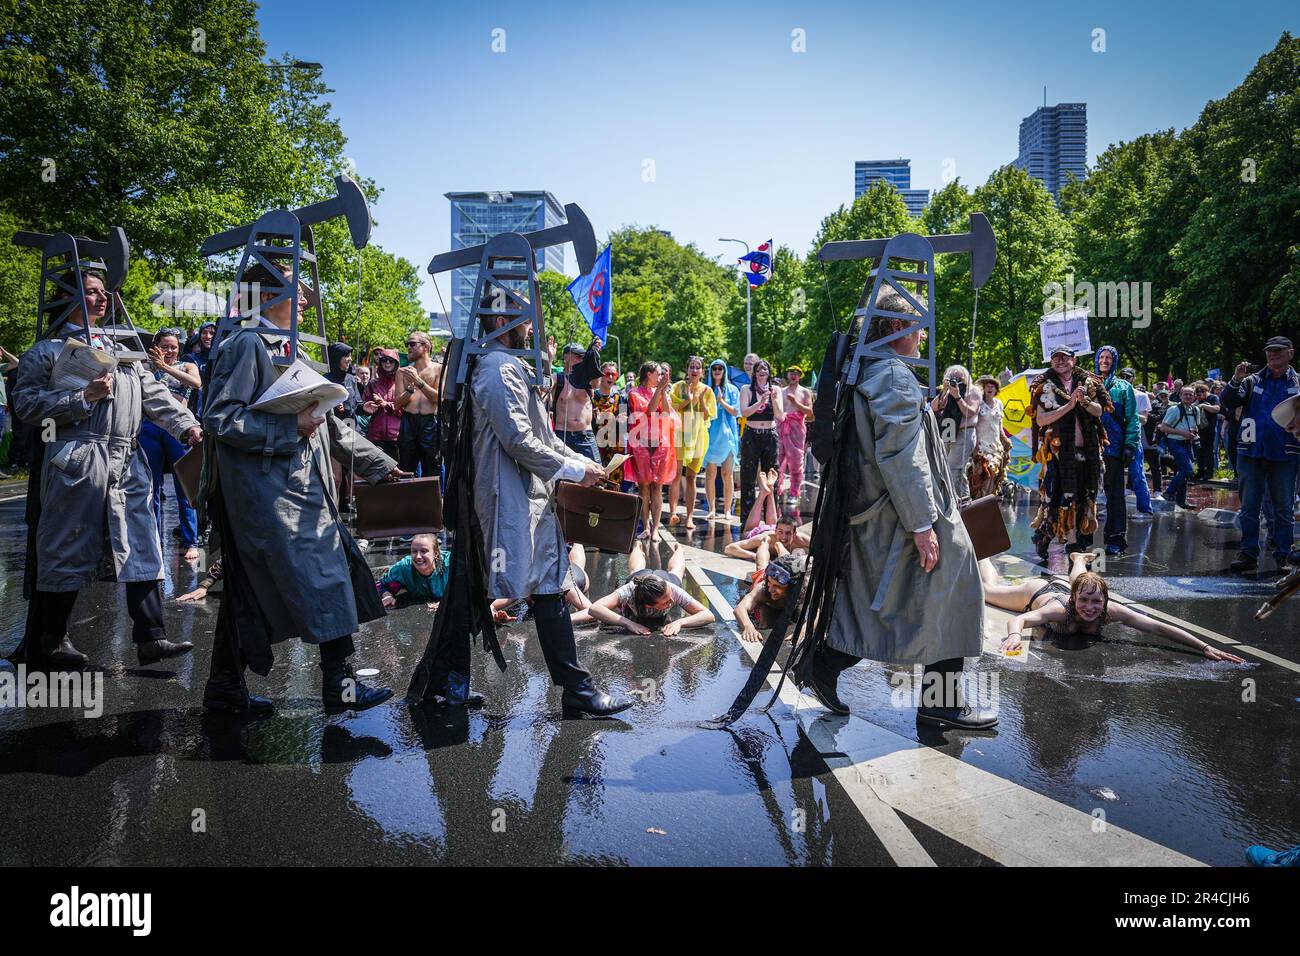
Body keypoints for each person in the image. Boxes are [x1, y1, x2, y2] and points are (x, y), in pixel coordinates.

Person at [416, 283, 632, 717]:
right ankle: (446, 683)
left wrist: (586, 466)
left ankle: (573, 688)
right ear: (502, 321)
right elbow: (518, 439)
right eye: (525, 318)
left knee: (546, 586)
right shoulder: (497, 367)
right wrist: (575, 469)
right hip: (507, 500)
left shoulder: (506, 365)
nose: (532, 328)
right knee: (480, 589)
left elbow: (545, 436)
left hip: (525, 497)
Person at [202, 259, 405, 715]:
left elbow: (327, 424)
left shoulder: (284, 347)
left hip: (300, 489)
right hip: (272, 492)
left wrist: (381, 465)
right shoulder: (246, 345)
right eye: (297, 287)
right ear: (269, 296)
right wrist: (288, 427)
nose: (308, 296)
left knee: (252, 590)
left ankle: (224, 692)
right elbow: (219, 417)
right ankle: (339, 686)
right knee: (322, 578)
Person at [801, 288, 994, 730]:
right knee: (954, 587)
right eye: (917, 328)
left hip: (886, 509)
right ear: (894, 328)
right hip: (901, 511)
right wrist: (923, 523)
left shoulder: (873, 369)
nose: (923, 337)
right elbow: (902, 457)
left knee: (886, 601)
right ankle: (939, 702)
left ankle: (824, 663)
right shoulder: (892, 375)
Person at [10, 269, 203, 670]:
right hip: (77, 457)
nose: (103, 299)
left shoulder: (123, 347)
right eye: (92, 292)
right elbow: (27, 406)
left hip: (128, 458)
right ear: (68, 298)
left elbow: (155, 394)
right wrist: (83, 397)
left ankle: (152, 638)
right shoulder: (47, 351)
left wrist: (187, 427)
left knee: (143, 543)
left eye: (104, 292)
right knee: (67, 546)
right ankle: (47, 643)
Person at [986, 555, 1244, 662]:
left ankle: (1078, 560)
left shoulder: (1110, 610)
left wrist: (1204, 647)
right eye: (1085, 602)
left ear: (1106, 603)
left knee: (1080, 581)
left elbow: (1157, 626)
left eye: (1097, 602)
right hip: (1036, 592)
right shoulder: (1060, 611)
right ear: (1075, 601)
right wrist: (1015, 636)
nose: (1090, 608)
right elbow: (1020, 620)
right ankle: (981, 555)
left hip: (1072, 587)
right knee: (987, 590)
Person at [1220, 337, 1299, 573]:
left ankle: (1283, 555)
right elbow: (1227, 401)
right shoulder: (1251, 381)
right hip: (1251, 452)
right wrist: (1235, 379)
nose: (1273, 355)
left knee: (1283, 508)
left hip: (1286, 453)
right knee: (1249, 507)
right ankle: (1248, 554)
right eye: (1269, 351)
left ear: (1290, 353)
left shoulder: (1298, 383)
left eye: (1278, 351)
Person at [1029, 345, 1112, 561]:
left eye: (1064, 358)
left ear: (1073, 360)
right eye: (1055, 358)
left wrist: (1083, 401)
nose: (1060, 361)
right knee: (1056, 497)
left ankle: (1076, 542)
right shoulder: (1044, 386)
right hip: (1058, 453)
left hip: (1088, 451)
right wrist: (1069, 405)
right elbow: (1041, 420)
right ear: (1051, 362)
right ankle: (1048, 537)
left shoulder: (1089, 382)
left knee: (1085, 494)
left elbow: (1100, 411)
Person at [139, 327, 203, 561]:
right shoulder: (146, 367)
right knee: (151, 487)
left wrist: (165, 367)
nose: (169, 350)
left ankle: (191, 541)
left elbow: (196, 383)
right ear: (156, 346)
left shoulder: (186, 365)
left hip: (180, 430)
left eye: (173, 346)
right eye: (164, 346)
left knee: (185, 487)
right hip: (150, 428)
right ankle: (152, 538)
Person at [578, 539, 713, 636]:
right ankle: (637, 546)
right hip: (641, 579)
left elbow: (708, 615)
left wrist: (680, 623)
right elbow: (595, 608)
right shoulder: (630, 590)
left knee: (676, 572)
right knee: (635, 570)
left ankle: (679, 550)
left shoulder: (672, 590)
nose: (672, 600)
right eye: (666, 601)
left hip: (664, 580)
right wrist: (628, 623)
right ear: (649, 606)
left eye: (670, 596)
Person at [1095, 345, 1140, 556]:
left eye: (1108, 358)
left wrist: (1130, 445)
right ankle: (1082, 537)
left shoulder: (1123, 388)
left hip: (1114, 448)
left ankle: (1116, 537)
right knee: (1087, 493)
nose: (1104, 361)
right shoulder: (1088, 383)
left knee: (1114, 494)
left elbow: (1132, 419)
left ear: (1114, 361)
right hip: (1090, 448)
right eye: (1101, 357)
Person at [625, 361, 676, 540]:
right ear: (649, 374)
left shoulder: (662, 391)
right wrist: (660, 391)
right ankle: (645, 527)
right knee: (644, 487)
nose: (661, 377)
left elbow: (667, 413)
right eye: (659, 374)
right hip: (641, 445)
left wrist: (661, 392)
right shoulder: (634, 394)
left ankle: (655, 529)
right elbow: (650, 412)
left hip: (660, 444)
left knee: (657, 487)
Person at [667, 355, 717, 525]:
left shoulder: (707, 390)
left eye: (698, 367)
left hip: (698, 437)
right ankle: (673, 513)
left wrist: (701, 400)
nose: (694, 370)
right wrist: (687, 400)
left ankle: (689, 517)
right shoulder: (677, 387)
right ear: (687, 370)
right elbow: (670, 410)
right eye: (692, 367)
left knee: (691, 477)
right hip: (679, 435)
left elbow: (707, 415)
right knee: (675, 476)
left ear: (702, 372)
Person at [725, 468, 809, 561]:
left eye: (788, 533)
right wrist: (754, 556)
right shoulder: (764, 538)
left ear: (794, 534)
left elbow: (822, 547)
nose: (784, 537)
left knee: (773, 524)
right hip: (758, 532)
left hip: (773, 527)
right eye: (780, 532)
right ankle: (764, 493)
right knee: (747, 533)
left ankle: (769, 489)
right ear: (775, 531)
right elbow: (729, 548)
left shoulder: (799, 538)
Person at [738, 359, 783, 523]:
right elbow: (744, 413)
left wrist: (775, 400)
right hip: (751, 435)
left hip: (770, 435)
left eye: (765, 368)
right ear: (755, 373)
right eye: (759, 368)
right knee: (748, 478)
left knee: (772, 478)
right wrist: (761, 402)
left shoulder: (776, 389)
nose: (762, 371)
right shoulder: (746, 389)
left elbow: (780, 416)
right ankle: (747, 520)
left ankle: (771, 519)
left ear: (769, 372)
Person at [395, 331, 443, 480]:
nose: (408, 347)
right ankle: (406, 503)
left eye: (412, 344)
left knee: (432, 470)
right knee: (405, 470)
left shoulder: (439, 369)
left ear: (426, 346)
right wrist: (409, 391)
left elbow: (440, 399)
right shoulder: (402, 372)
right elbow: (397, 404)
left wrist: (419, 382)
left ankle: (432, 503)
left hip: (430, 422)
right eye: (406, 344)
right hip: (408, 422)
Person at [929, 364, 981, 502]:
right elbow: (934, 407)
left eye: (959, 378)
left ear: (966, 378)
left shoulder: (973, 391)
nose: (956, 380)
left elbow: (970, 412)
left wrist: (957, 396)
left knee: (953, 470)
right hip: (949, 429)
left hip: (964, 432)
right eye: (952, 378)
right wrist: (944, 391)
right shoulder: (946, 391)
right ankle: (964, 500)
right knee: (951, 469)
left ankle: (955, 502)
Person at [735, 545, 806, 644]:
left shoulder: (802, 590)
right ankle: (766, 542)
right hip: (762, 577)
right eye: (770, 583)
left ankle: (780, 546)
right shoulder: (763, 588)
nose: (771, 589)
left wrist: (803, 631)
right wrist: (748, 626)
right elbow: (740, 608)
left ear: (792, 588)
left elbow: (816, 613)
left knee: (787, 560)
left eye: (778, 586)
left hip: (789, 581)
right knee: (761, 566)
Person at [552, 341, 605, 463]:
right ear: (566, 357)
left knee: (598, 476)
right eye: (579, 356)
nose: (582, 359)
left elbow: (596, 383)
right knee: (561, 478)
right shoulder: (557, 378)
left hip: (585, 436)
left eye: (584, 356)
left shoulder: (587, 380)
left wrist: (595, 356)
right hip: (563, 437)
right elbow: (545, 385)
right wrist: (549, 359)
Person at [326, 342, 362, 512]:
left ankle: (357, 509)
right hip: (333, 432)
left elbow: (358, 404)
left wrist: (367, 407)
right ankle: (333, 511)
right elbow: (319, 406)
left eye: (349, 356)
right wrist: (333, 405)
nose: (349, 360)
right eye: (345, 356)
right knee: (336, 477)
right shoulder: (325, 380)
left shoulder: (351, 379)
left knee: (355, 474)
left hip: (351, 429)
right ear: (335, 358)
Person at [703, 358, 740, 521]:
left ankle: (727, 510)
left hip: (728, 437)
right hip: (710, 436)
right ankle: (711, 509)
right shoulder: (706, 390)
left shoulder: (732, 390)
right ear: (711, 371)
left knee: (727, 474)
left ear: (724, 371)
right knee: (710, 474)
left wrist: (721, 401)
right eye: (714, 368)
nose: (717, 370)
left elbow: (735, 412)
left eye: (720, 368)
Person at [1157, 385, 1203, 512]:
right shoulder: (1174, 409)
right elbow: (1163, 428)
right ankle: (1169, 492)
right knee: (1188, 470)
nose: (1188, 396)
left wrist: (1194, 434)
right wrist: (1183, 433)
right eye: (1185, 394)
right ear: (1180, 396)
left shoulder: (1196, 410)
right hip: (1175, 442)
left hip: (1188, 443)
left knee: (1182, 471)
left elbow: (1196, 427)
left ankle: (1181, 501)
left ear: (1194, 396)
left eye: (1190, 394)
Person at [377, 533, 451, 609]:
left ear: (436, 553)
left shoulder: (451, 564)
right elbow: (380, 585)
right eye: (414, 551)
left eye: (424, 551)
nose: (418, 556)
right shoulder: (404, 568)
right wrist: (387, 595)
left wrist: (446, 603)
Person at [968, 375, 1010, 500]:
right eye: (987, 385)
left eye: (992, 386)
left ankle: (986, 502)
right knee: (979, 476)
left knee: (993, 475)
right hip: (981, 445)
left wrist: (1005, 441)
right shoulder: (979, 404)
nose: (990, 388)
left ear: (996, 389)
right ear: (983, 388)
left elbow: (1000, 426)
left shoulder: (999, 404)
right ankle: (977, 502)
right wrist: (975, 445)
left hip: (995, 446)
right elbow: (973, 424)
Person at [776, 365, 812, 504]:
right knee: (778, 459)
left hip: (797, 429)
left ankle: (794, 493)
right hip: (781, 427)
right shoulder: (781, 391)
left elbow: (809, 413)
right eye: (791, 372)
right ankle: (776, 489)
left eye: (796, 373)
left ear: (800, 376)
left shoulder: (805, 392)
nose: (793, 375)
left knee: (796, 461)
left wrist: (795, 403)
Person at [1122, 368, 1155, 516]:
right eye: (1122, 376)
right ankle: (1113, 509)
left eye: (1128, 376)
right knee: (1112, 475)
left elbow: (1144, 419)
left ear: (1133, 378)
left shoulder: (1140, 395)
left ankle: (1145, 509)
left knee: (1137, 474)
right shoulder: (1115, 391)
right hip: (1116, 437)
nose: (1125, 378)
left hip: (1133, 438)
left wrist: (1128, 412)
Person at [361, 348, 402, 458]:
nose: (387, 363)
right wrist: (369, 407)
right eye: (384, 360)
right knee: (376, 472)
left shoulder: (401, 384)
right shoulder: (373, 384)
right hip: (376, 436)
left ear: (396, 363)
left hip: (396, 437)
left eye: (391, 360)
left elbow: (406, 410)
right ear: (380, 362)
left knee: (397, 472)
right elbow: (363, 407)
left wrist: (386, 405)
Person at [591, 360, 625, 468]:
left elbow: (623, 422)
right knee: (596, 479)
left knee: (614, 482)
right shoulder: (591, 396)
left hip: (615, 446)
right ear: (601, 375)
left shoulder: (620, 397)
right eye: (607, 374)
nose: (610, 377)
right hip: (596, 444)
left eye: (613, 374)